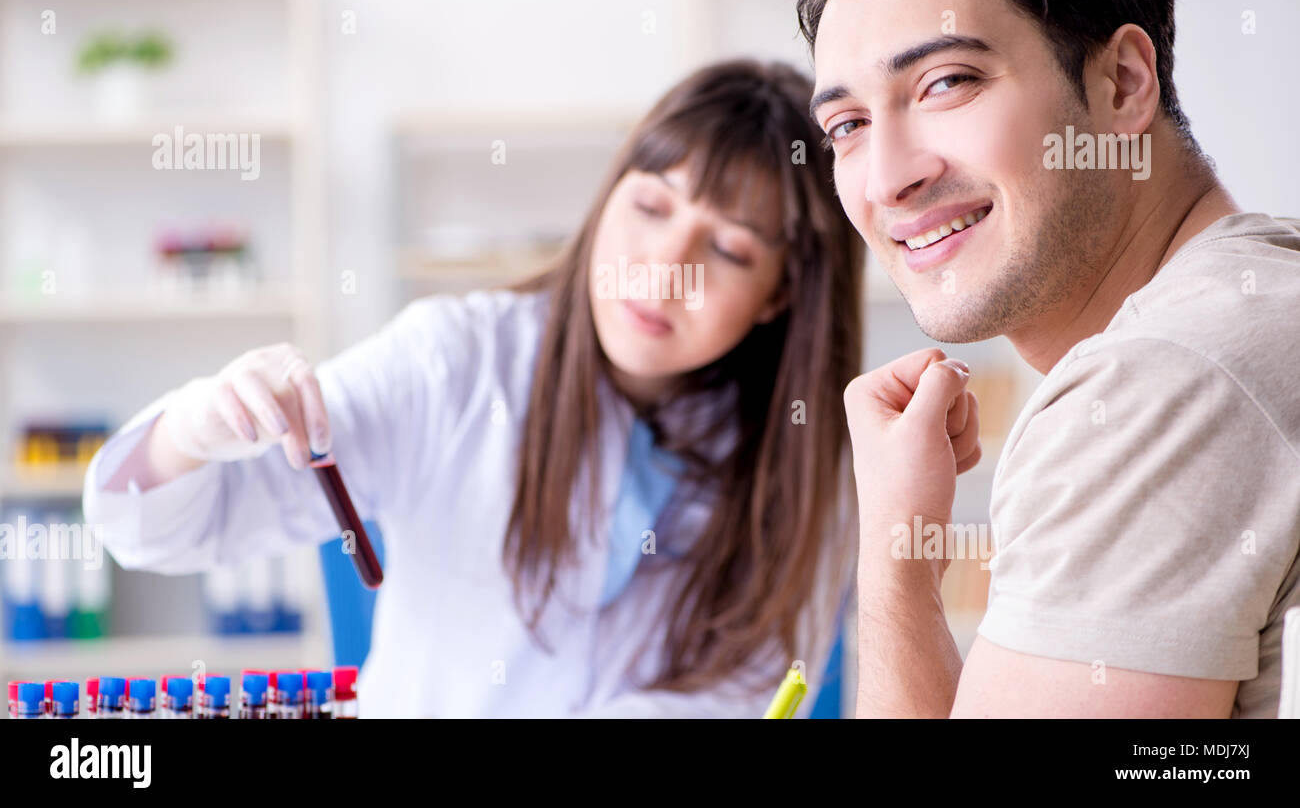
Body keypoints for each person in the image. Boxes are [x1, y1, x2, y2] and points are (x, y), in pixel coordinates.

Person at [83, 58, 866, 717]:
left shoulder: (803, 461)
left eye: (727, 249)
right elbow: (169, 526)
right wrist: (191, 431)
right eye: (650, 206)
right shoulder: (454, 362)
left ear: (780, 292)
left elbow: (738, 698)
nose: (664, 270)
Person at [799, 0, 1300, 717]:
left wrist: (892, 561)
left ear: (1123, 83)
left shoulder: (1162, 380)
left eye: (946, 82)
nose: (886, 178)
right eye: (847, 125)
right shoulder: (1254, 296)